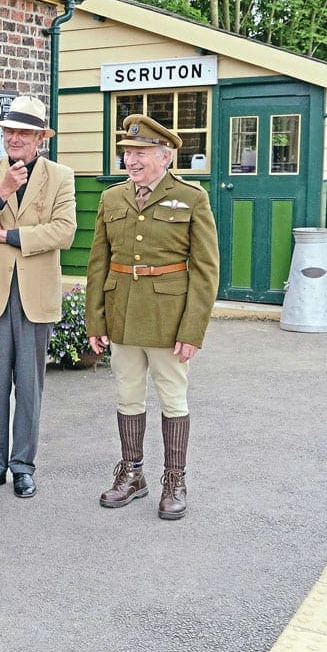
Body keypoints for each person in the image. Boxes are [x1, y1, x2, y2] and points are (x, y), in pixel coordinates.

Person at [86, 114, 219, 520]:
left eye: (140, 153)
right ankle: (132, 474)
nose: (131, 161)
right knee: (128, 396)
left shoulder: (192, 198)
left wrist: (193, 329)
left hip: (169, 318)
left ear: (165, 156)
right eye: (128, 153)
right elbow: (98, 263)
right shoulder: (112, 199)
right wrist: (96, 320)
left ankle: (174, 479)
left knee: (173, 400)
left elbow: (205, 269)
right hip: (122, 312)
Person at [0, 95, 76, 499]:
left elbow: (64, 231)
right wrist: (1, 192)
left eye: (24, 132)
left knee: (29, 386)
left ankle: (23, 465)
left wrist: (10, 236)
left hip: (34, 295)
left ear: (40, 137)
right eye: (9, 131)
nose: (14, 138)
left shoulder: (60, 176)